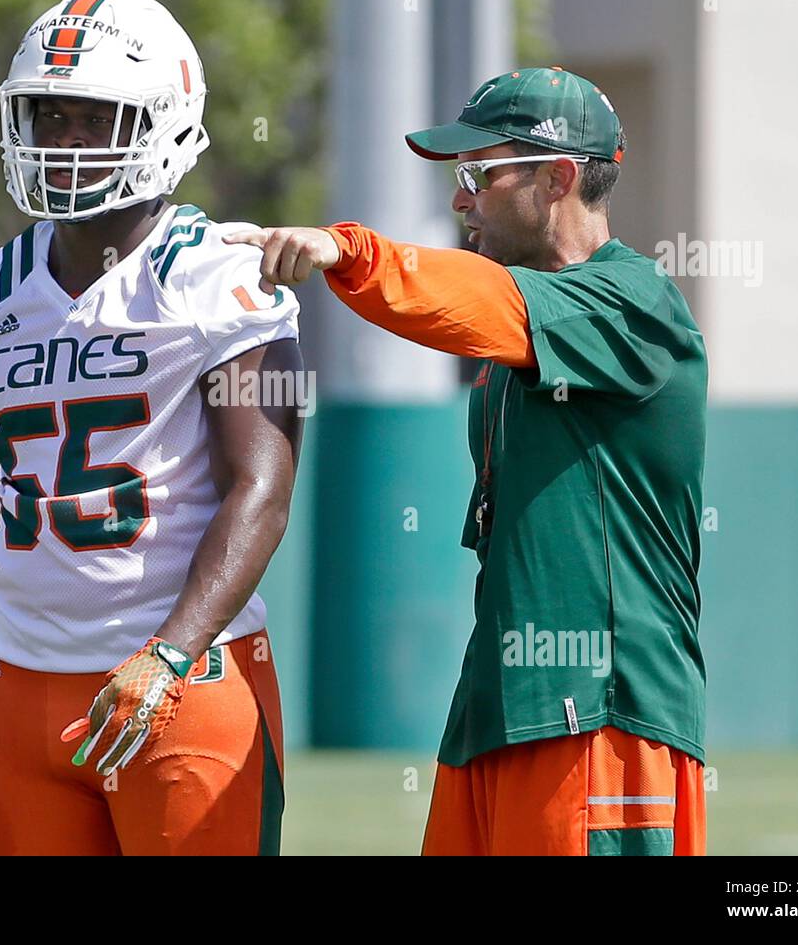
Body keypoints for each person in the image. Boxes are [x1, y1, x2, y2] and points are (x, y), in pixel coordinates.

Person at [227, 67, 707, 856]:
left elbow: (470, 299)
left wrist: (343, 247)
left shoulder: (637, 300)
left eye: (479, 174)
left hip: (600, 716)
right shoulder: (529, 316)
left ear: (558, 179)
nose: (460, 201)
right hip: (498, 710)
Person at [0, 0, 302, 855]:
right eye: (49, 114)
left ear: (165, 123)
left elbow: (261, 487)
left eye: (93, 118)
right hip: (21, 687)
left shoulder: (216, 276)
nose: (63, 142)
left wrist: (171, 652)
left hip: (180, 684)